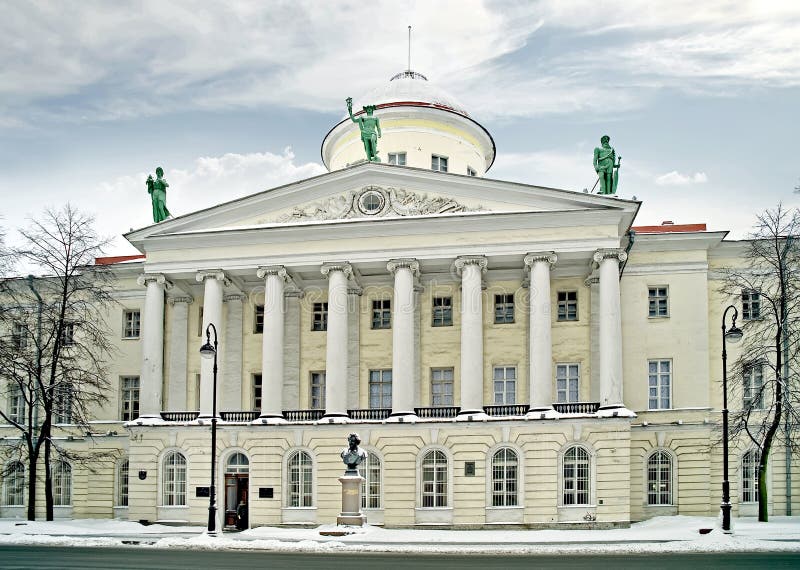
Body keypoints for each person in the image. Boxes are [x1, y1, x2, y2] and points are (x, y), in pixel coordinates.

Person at [346, 97, 382, 162]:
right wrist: (350, 112)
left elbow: (378, 127)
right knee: (367, 147)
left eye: (370, 109)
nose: (369, 110)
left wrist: (379, 133)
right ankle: (369, 159)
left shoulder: (375, 118)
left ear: (372, 110)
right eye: (368, 109)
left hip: (372, 132)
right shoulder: (363, 118)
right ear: (366, 110)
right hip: (365, 132)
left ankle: (375, 155)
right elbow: (354, 120)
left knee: (373, 140)